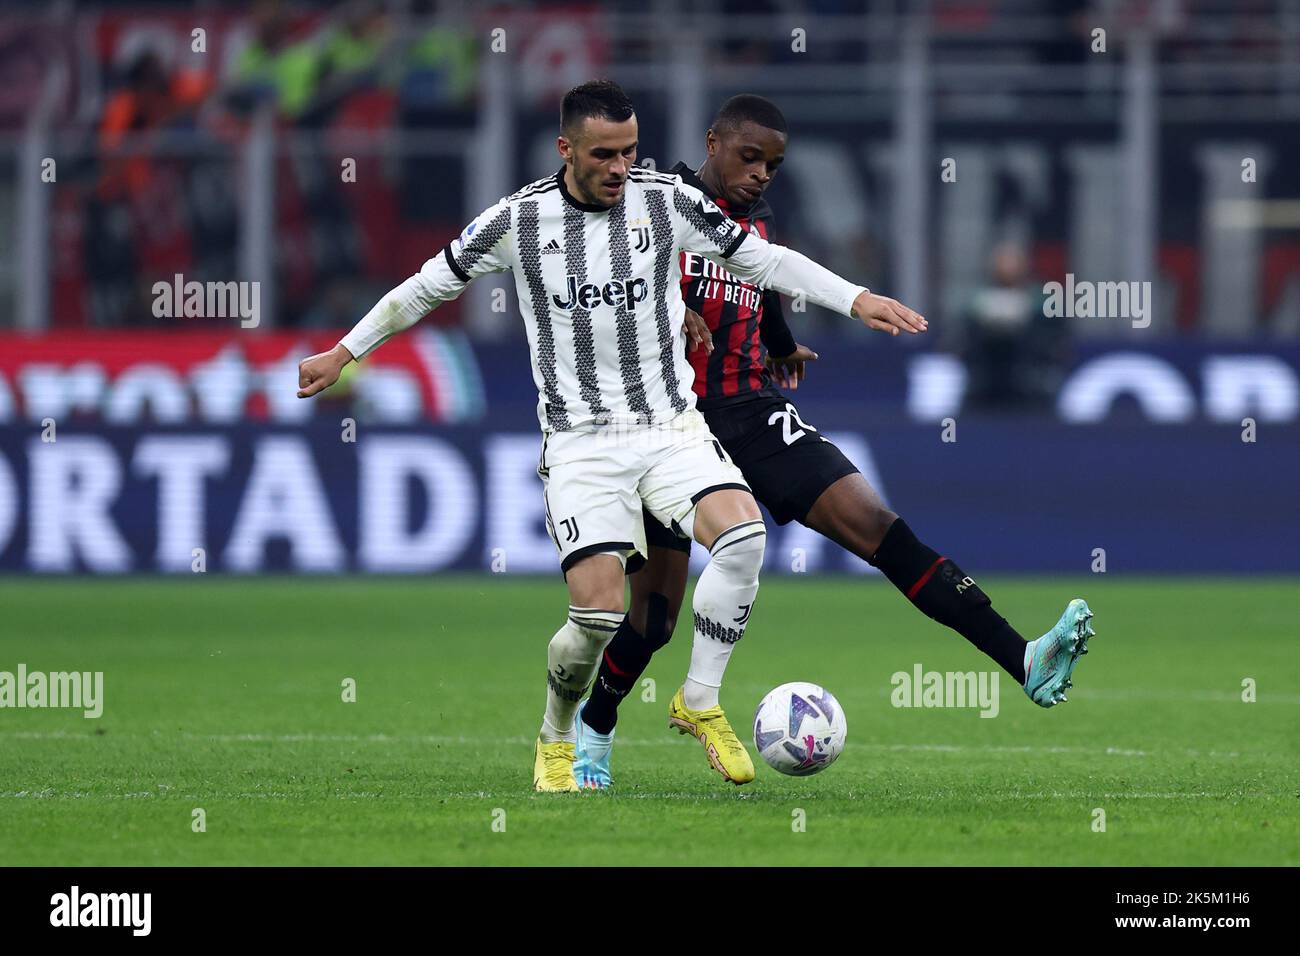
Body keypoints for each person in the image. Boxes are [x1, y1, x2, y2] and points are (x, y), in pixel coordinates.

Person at [296, 80, 926, 791]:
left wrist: (856, 298)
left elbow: (765, 262)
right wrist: (344, 351)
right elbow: (425, 286)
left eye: (629, 151)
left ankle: (699, 699)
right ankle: (556, 735)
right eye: (603, 154)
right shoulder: (519, 220)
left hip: (669, 427)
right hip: (581, 444)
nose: (620, 167)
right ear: (566, 149)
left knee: (744, 536)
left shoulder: (666, 201)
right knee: (597, 618)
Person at [572, 95, 1095, 790]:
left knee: (879, 526)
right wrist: (677, 309)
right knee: (655, 616)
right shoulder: (656, 206)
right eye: (750, 157)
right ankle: (594, 729)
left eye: (774, 165)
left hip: (752, 410)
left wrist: (782, 346)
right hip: (670, 426)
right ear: (713, 143)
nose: (761, 174)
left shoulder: (752, 221)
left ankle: (1022, 657)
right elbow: (599, 284)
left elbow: (764, 282)